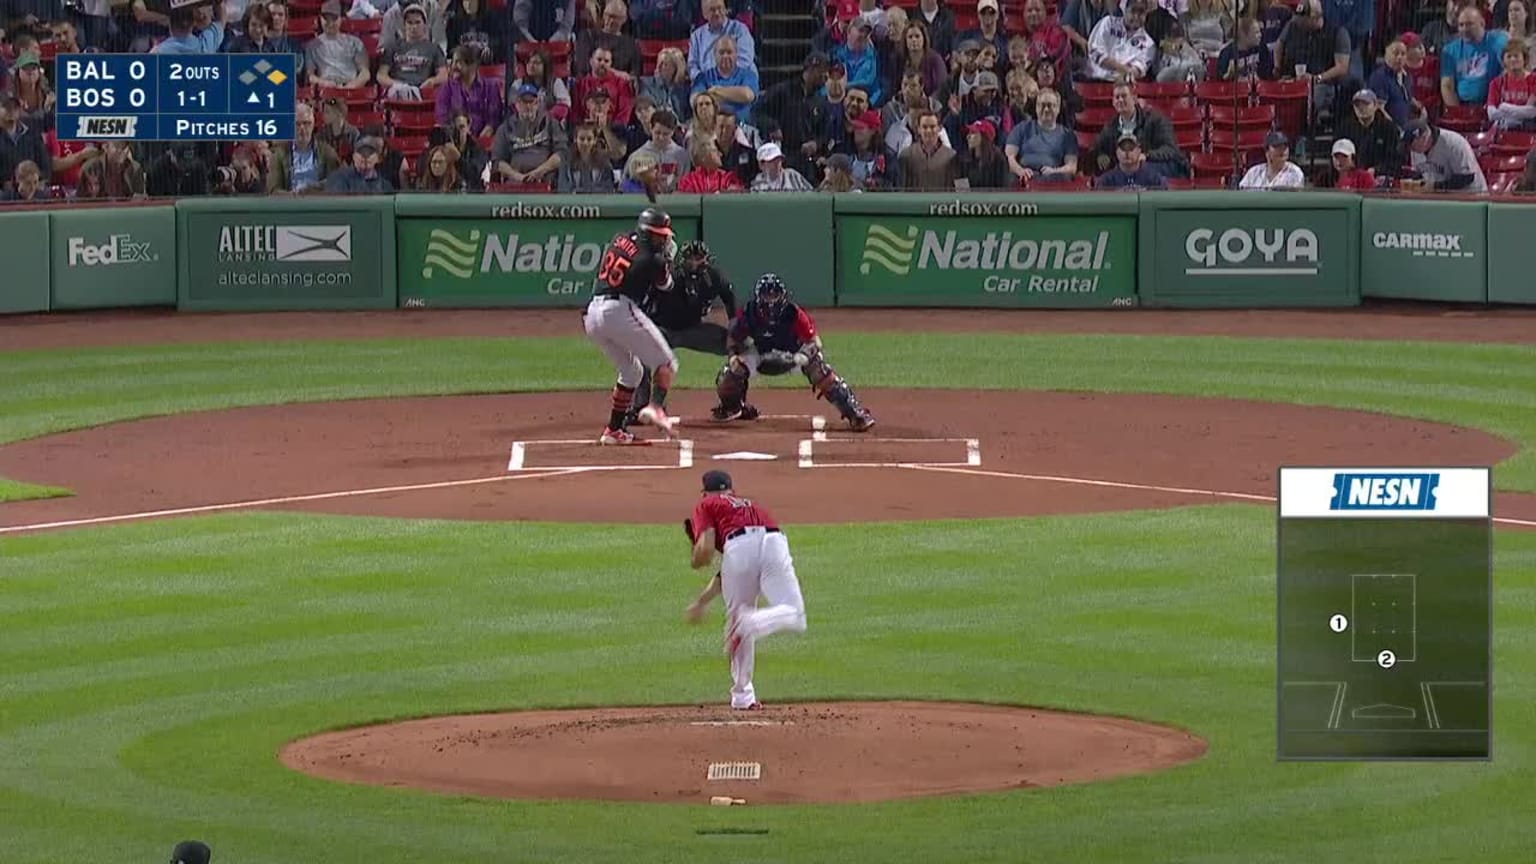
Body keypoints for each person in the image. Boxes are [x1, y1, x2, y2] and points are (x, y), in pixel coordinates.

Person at [684, 469, 806, 712]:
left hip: (739, 546)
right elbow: (725, 574)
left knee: (739, 616)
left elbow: (706, 551)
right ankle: (742, 694)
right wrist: (702, 602)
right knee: (794, 613)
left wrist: (695, 558)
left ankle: (743, 689)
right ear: (731, 490)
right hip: (775, 541)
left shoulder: (706, 504)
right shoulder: (751, 506)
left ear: (704, 492)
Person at [710, 273, 875, 431]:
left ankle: (854, 413)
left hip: (792, 356)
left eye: (775, 296)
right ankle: (733, 407)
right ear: (759, 298)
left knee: (819, 370)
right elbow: (734, 338)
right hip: (760, 356)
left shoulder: (793, 313)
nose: (771, 300)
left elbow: (815, 342)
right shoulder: (749, 312)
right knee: (730, 373)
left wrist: (804, 356)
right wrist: (733, 357)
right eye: (767, 296)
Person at [583, 207, 680, 445]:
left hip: (592, 313)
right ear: (647, 233)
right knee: (666, 363)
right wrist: (667, 261)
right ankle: (656, 407)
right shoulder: (653, 259)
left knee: (632, 372)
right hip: (618, 310)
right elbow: (666, 286)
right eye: (659, 236)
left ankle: (614, 430)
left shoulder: (621, 238)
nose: (663, 240)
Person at [626, 239, 738, 422]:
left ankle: (734, 404)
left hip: (693, 330)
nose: (694, 263)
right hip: (663, 330)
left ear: (706, 259)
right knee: (640, 353)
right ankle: (642, 406)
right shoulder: (669, 276)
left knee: (740, 347)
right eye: (690, 258)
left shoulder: (713, 277)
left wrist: (735, 330)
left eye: (699, 258)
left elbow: (729, 298)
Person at [1442, 4, 1510, 106]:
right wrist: (1457, 112)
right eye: (1461, 25)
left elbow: (1509, 71)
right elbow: (1447, 86)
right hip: (1463, 106)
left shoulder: (1499, 41)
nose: (1465, 29)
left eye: (1469, 24)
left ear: (1482, 23)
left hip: (1494, 104)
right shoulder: (1450, 50)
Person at [1403, 120, 1488, 192]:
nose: (1410, 148)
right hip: (1443, 198)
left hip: (1472, 197)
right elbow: (1422, 174)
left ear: (1424, 138)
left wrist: (1435, 186)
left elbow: (1467, 178)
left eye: (1411, 144)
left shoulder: (1454, 143)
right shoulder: (1417, 150)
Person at [1487, 39, 1536, 128]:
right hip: (1503, 130)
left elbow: (1532, 112)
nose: (1512, 59)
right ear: (1503, 60)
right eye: (1509, 56)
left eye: (1516, 56)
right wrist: (1519, 114)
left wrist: (1505, 107)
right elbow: (1491, 114)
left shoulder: (1534, 80)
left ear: (1524, 59)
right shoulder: (1495, 83)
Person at [1095, 132, 1170, 188]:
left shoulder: (1154, 179)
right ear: (1117, 152)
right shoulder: (1106, 181)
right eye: (1123, 148)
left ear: (1139, 151)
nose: (1127, 153)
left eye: (1131, 148)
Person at [1238, 130, 1306, 188]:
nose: (1282, 150)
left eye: (1285, 146)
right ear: (1267, 152)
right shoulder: (1253, 172)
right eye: (1277, 147)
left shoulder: (1295, 173)